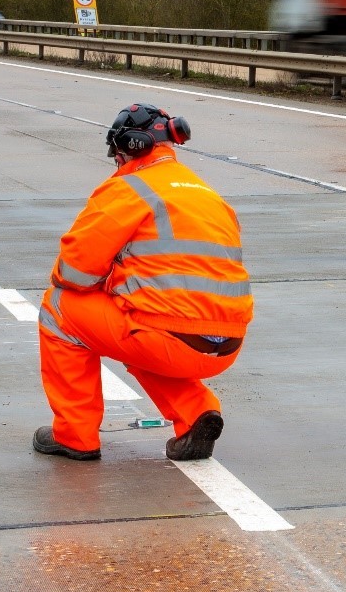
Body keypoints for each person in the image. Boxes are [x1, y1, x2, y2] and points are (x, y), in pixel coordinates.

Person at [33, 103, 253, 462]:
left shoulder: (129, 189)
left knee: (58, 308)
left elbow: (74, 273)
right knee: (143, 319)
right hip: (225, 345)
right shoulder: (206, 194)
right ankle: (195, 412)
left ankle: (75, 435)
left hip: (163, 338)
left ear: (131, 147)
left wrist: (102, 286)